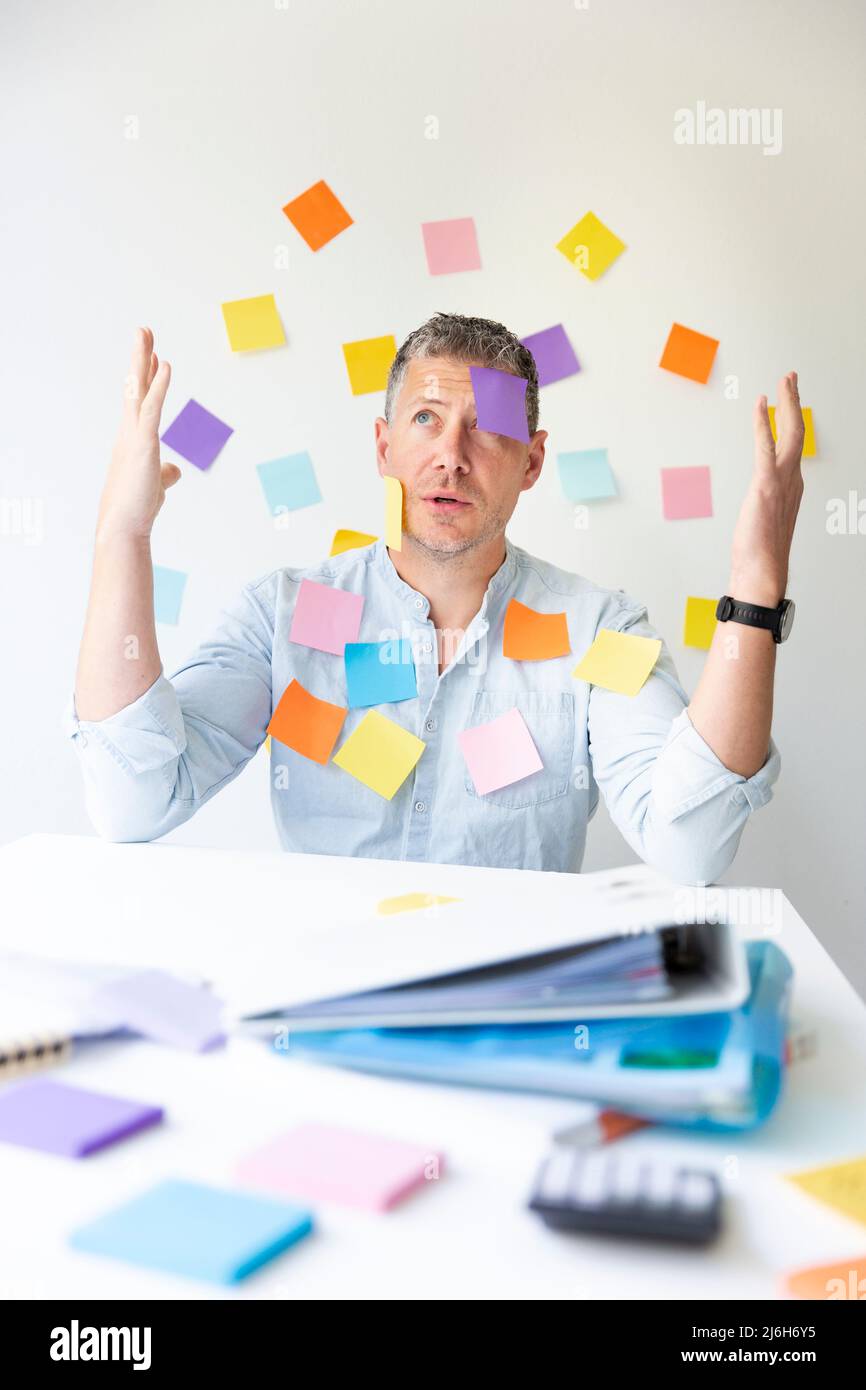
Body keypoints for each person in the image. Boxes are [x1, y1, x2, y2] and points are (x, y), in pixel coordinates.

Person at [65, 312, 805, 880]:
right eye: (427, 419)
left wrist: (755, 589)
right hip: (322, 1005)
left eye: (487, 430)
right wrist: (121, 537)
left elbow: (690, 845)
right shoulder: (281, 617)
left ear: (533, 463)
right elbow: (134, 803)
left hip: (509, 1024)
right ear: (384, 447)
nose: (452, 454)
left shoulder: (596, 629)